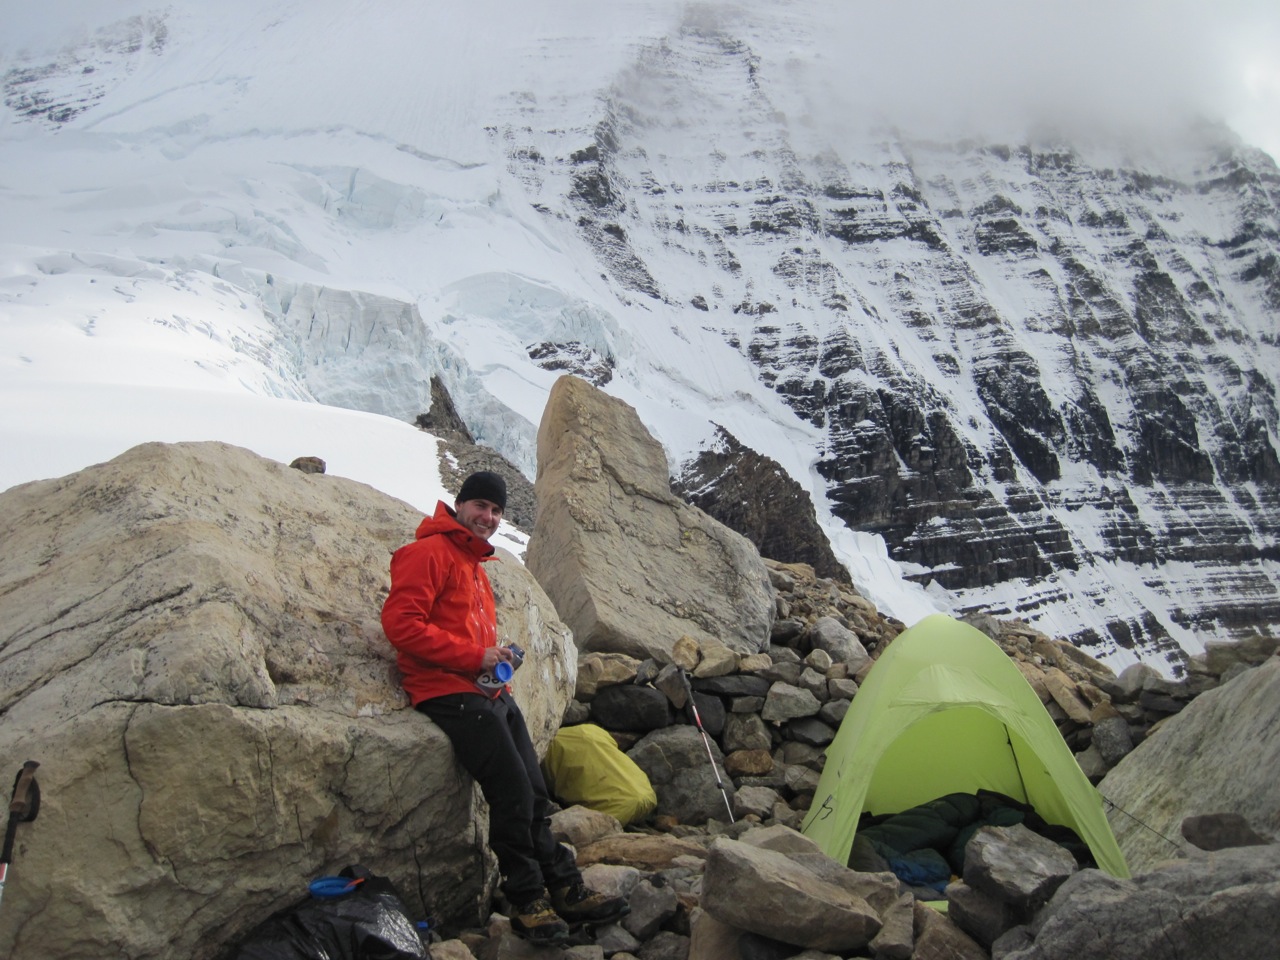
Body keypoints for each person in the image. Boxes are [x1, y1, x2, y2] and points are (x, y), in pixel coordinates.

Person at [381, 470, 629, 944]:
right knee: (512, 789)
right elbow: (401, 625)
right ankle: (528, 899)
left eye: (496, 510)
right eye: (481, 506)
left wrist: (495, 659)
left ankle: (565, 885)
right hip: (443, 691)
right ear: (460, 505)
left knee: (534, 788)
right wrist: (475, 656)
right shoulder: (427, 553)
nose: (489, 517)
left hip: (485, 690)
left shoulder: (473, 562)